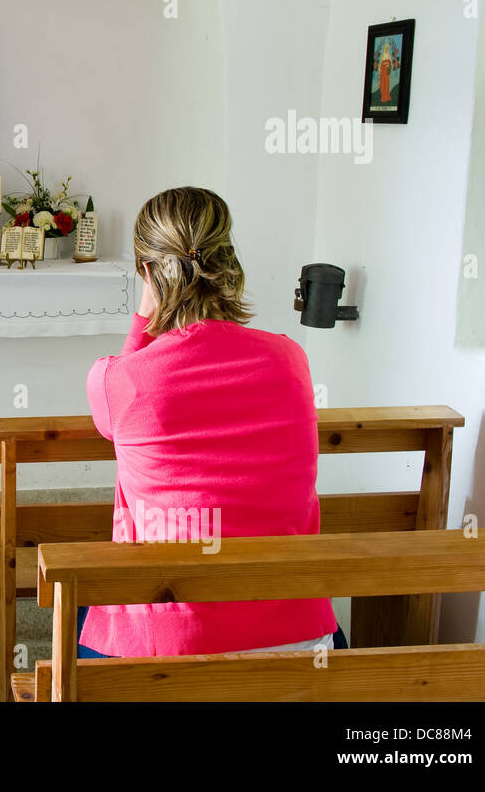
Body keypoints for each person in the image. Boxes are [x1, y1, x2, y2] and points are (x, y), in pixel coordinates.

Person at [78, 187, 346, 658]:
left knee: (84, 606)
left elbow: (111, 419)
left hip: (172, 642)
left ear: (146, 272)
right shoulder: (290, 358)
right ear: (227, 261)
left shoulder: (119, 380)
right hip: (299, 637)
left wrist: (145, 314)